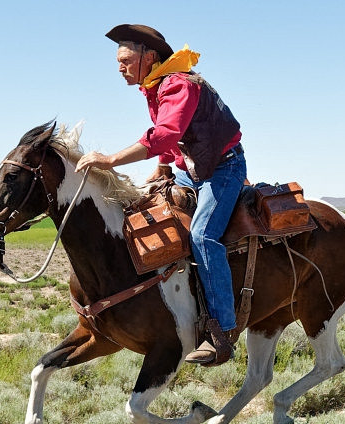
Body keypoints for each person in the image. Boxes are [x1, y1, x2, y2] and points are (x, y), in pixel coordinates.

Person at [76, 24, 244, 367]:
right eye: (118, 62)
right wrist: (165, 168)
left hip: (223, 170)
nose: (120, 68)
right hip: (190, 169)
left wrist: (109, 160)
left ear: (149, 57)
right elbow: (174, 137)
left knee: (203, 236)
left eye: (125, 60)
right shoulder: (157, 86)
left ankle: (222, 332)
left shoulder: (178, 84)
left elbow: (166, 134)